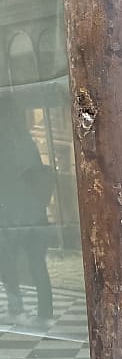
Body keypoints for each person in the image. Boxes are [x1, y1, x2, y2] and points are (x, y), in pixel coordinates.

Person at [0, 99, 54, 323]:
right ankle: (44, 313)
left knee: (8, 262)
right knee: (36, 264)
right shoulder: (26, 140)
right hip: (34, 215)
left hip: (13, 214)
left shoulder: (6, 143)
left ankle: (17, 309)